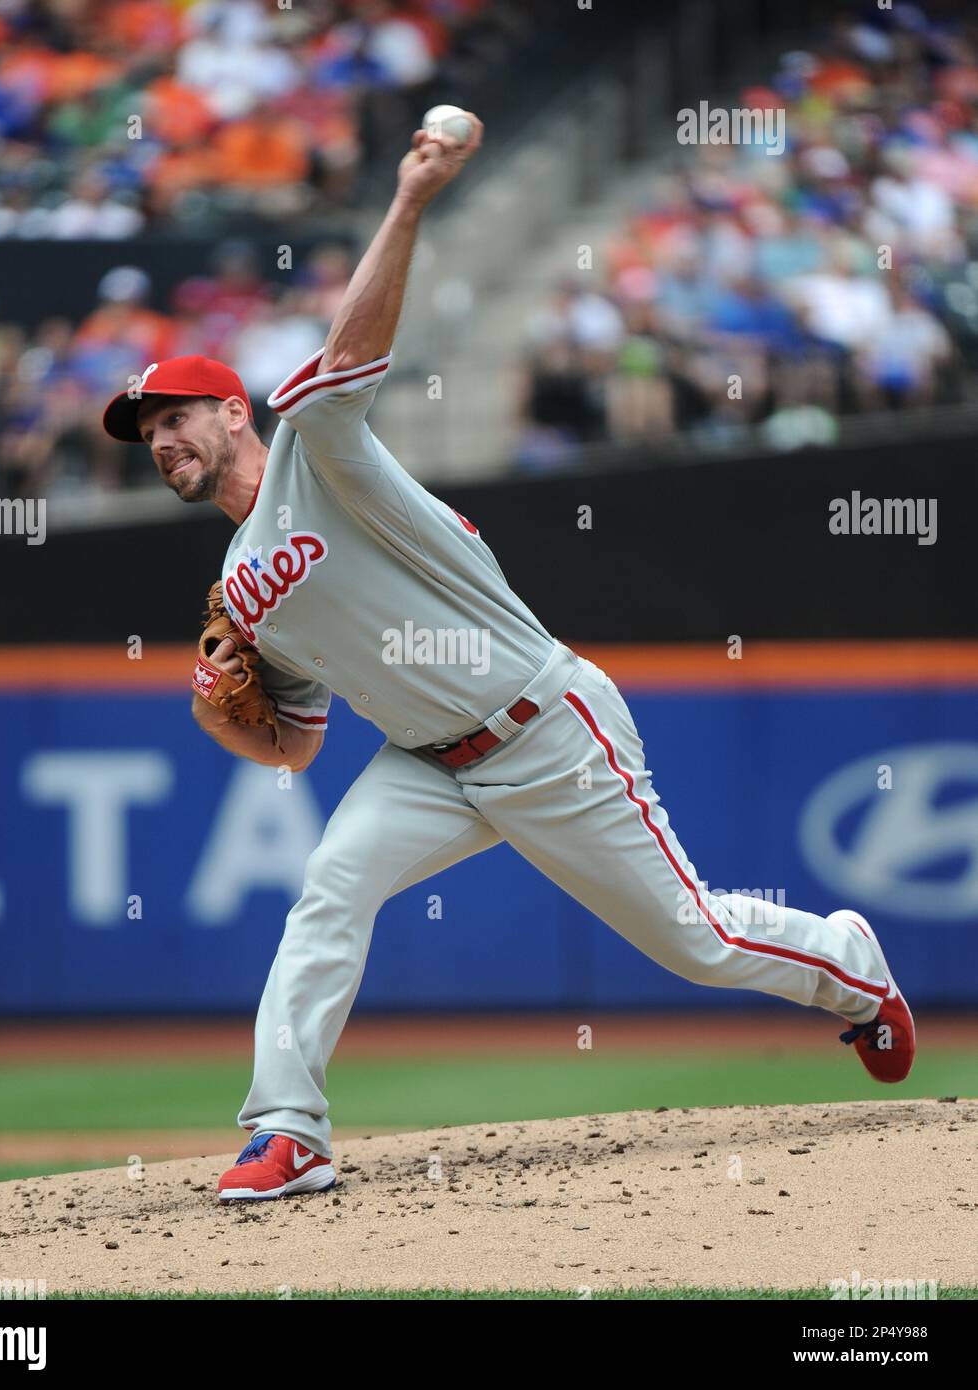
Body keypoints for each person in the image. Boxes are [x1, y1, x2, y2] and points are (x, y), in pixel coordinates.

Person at [102, 117, 915, 1204]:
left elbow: (350, 356)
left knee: (694, 940)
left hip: (547, 727)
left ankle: (849, 967)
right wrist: (226, 702)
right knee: (330, 889)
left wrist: (409, 201)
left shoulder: (318, 452)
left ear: (231, 409)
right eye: (144, 430)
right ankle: (289, 1129)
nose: (160, 439)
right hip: (427, 762)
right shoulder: (241, 595)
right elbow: (296, 743)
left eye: (173, 414)